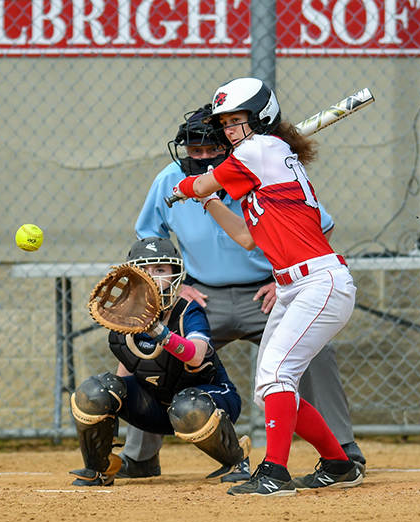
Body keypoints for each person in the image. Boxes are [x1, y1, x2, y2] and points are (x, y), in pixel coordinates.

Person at [119, 104, 365, 480]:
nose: (200, 158)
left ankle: (341, 450)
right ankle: (139, 457)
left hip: (266, 292)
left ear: (230, 147)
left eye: (209, 151)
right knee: (153, 351)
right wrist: (176, 286)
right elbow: (151, 240)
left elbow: (319, 226)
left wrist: (281, 275)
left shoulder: (261, 169)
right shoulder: (167, 177)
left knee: (312, 351)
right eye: (194, 151)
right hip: (201, 295)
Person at [69, 237, 251, 486]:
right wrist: (107, 406)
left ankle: (236, 459)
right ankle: (99, 467)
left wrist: (158, 331)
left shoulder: (188, 310)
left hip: (211, 400)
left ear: (175, 275)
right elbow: (128, 372)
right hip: (158, 409)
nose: (151, 278)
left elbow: (197, 354)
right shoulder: (126, 319)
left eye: (160, 270)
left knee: (187, 405)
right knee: (95, 391)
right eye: (142, 271)